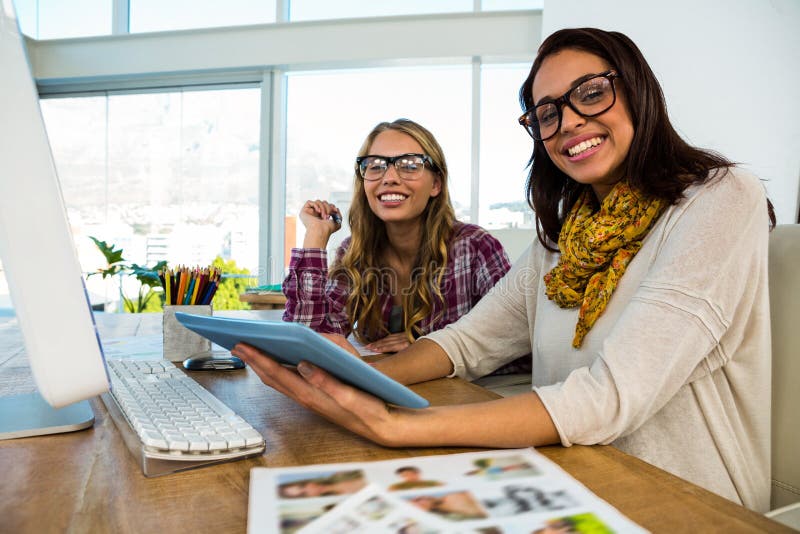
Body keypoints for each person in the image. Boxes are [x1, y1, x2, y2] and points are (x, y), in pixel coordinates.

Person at [234, 28, 775, 512]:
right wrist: (351, 377)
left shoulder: (720, 199)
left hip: (686, 502)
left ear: (638, 91)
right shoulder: (566, 232)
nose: (569, 123)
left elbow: (610, 394)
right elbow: (468, 341)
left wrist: (398, 426)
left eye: (592, 93)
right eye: (547, 113)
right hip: (564, 480)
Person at [282, 118, 518, 360]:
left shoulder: (476, 247)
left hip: (466, 394)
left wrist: (429, 347)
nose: (390, 177)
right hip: (381, 387)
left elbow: (514, 338)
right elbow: (307, 340)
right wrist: (315, 236)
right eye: (375, 165)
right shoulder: (354, 252)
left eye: (409, 165)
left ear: (436, 183)